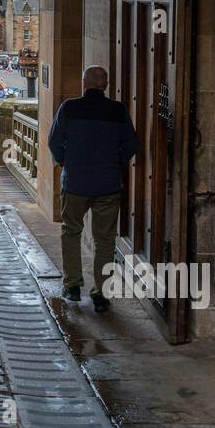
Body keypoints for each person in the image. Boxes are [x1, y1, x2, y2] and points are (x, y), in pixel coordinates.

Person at [48, 65, 139, 315]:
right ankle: (101, 294)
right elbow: (131, 144)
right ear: (106, 84)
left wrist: (66, 161)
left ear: (83, 83)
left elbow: (54, 141)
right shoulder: (118, 110)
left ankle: (73, 285)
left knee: (71, 232)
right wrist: (115, 163)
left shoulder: (69, 108)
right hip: (108, 184)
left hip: (76, 182)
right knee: (105, 240)